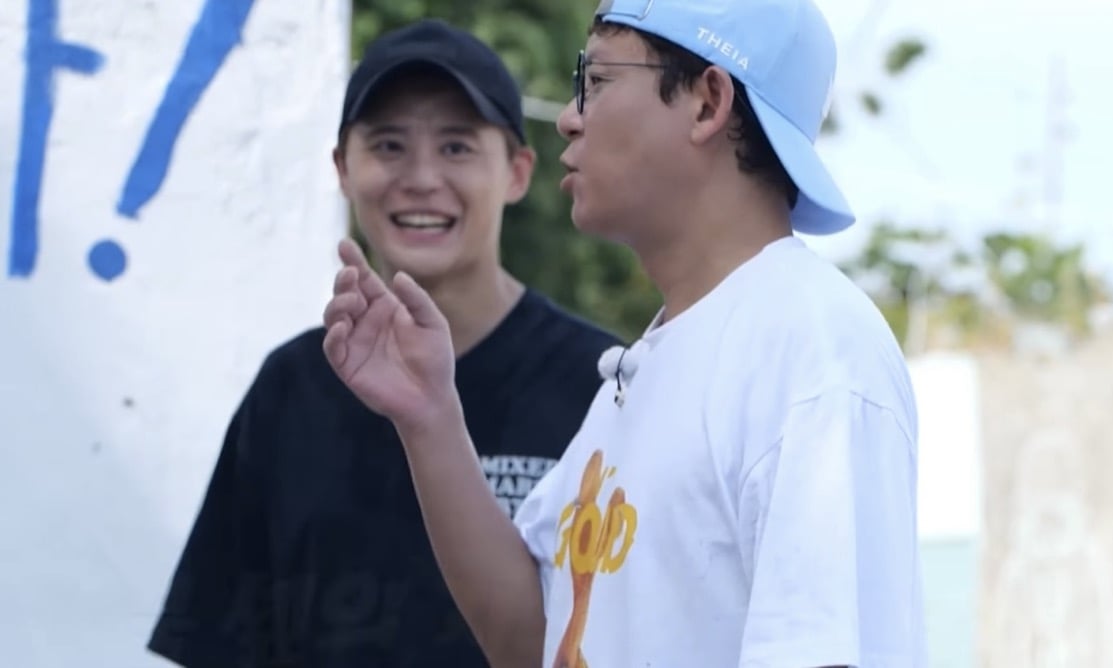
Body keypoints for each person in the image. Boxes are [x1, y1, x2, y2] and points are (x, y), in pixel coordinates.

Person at [321, 0, 927, 666]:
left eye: (598, 81)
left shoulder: (811, 347)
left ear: (707, 102)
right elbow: (534, 638)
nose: (570, 117)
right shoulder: (655, 358)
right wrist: (429, 416)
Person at [146, 18, 622, 668]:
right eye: (389, 146)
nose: (422, 178)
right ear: (342, 169)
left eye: (456, 148)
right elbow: (213, 641)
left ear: (517, 172)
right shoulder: (289, 389)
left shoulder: (600, 386)